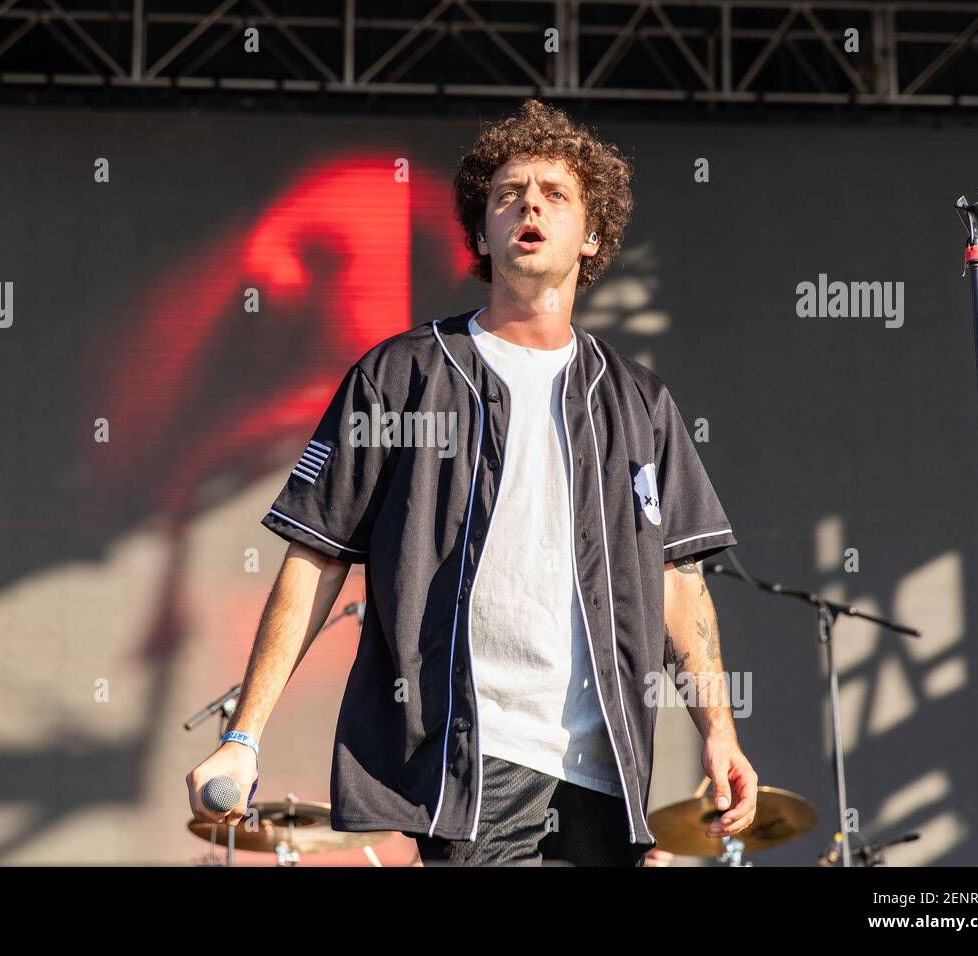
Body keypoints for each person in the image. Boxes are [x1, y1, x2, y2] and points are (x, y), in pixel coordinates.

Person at [187, 98, 758, 866]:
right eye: (508, 194)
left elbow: (676, 585)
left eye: (555, 194)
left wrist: (719, 732)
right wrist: (242, 737)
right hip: (475, 763)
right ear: (482, 233)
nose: (529, 205)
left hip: (605, 771)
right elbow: (315, 558)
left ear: (592, 236)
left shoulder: (638, 400)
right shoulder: (398, 377)